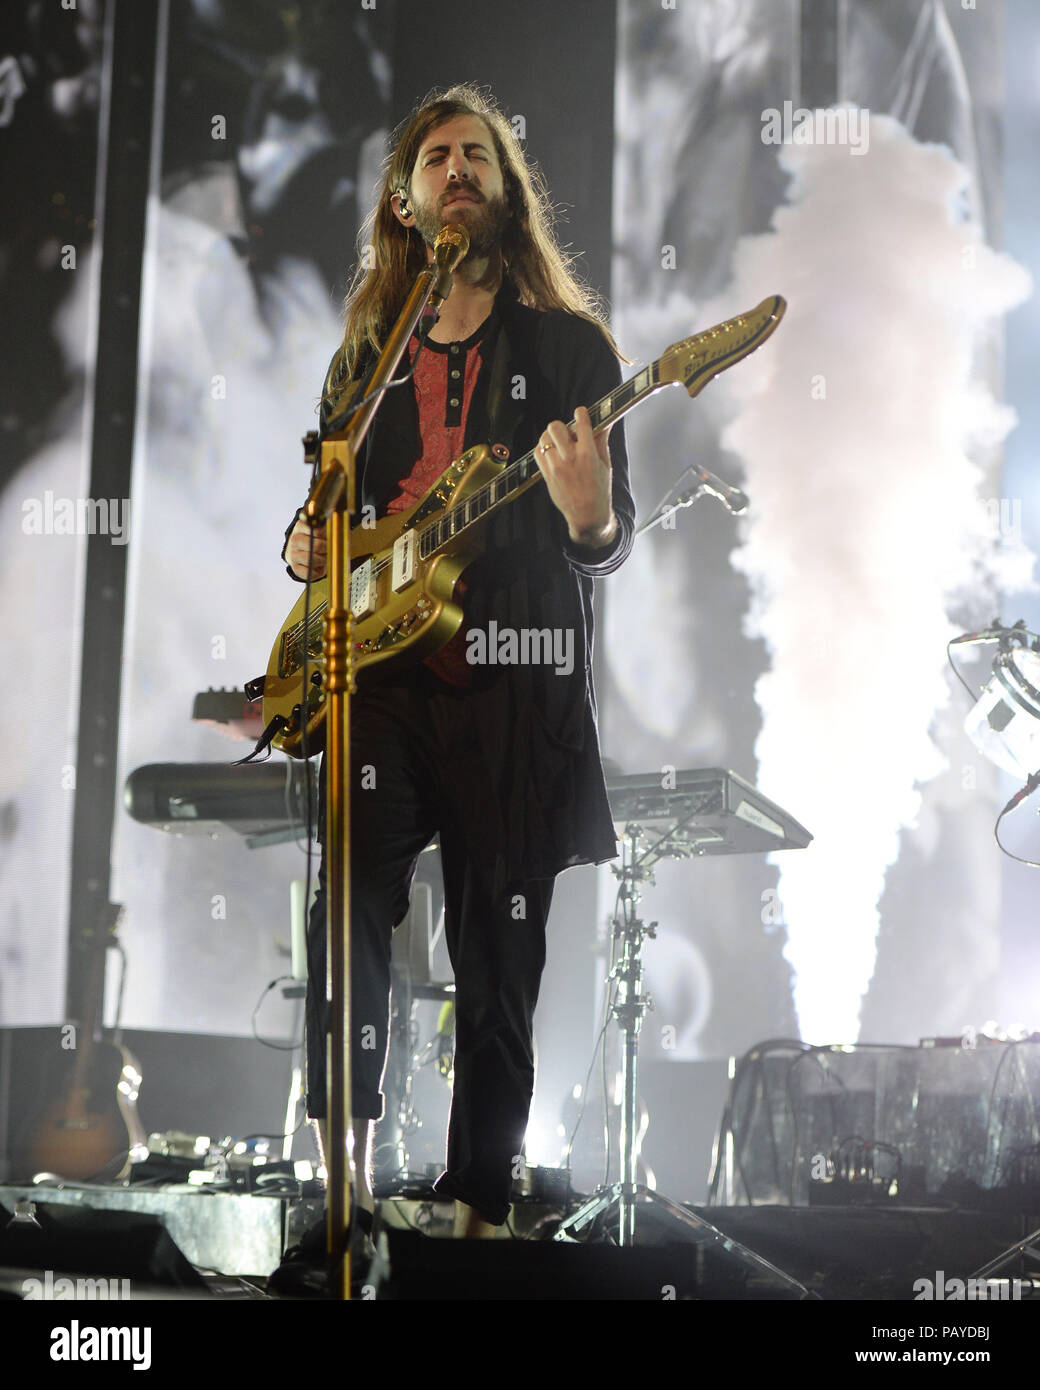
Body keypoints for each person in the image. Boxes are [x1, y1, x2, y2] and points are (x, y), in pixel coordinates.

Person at [279, 83, 634, 1252]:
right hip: (382, 682)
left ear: (504, 190)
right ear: (404, 197)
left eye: (476, 154)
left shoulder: (569, 350)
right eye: (434, 156)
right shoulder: (363, 367)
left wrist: (587, 520)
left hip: (509, 679)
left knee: (496, 948)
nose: (457, 169)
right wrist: (303, 546)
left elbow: (605, 539)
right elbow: (324, 521)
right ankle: (346, 1174)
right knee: (348, 920)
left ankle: (480, 1209)